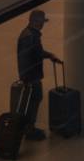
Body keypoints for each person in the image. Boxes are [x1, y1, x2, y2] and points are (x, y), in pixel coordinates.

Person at [16, 9, 61, 141]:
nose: (42, 25)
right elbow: (34, 54)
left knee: (33, 100)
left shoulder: (29, 34)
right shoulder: (30, 36)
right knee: (34, 100)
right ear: (35, 21)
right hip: (31, 76)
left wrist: (50, 55)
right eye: (41, 22)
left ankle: (29, 127)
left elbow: (37, 51)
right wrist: (27, 78)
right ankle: (29, 129)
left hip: (29, 74)